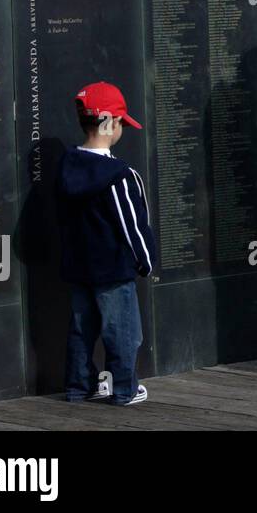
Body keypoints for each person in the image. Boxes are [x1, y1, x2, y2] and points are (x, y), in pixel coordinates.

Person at [56, 82, 156, 405]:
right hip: (113, 270)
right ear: (109, 123)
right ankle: (125, 389)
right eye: (122, 123)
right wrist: (146, 261)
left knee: (81, 330)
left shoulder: (66, 167)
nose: (122, 129)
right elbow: (133, 227)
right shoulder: (120, 175)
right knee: (123, 333)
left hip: (78, 268)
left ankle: (78, 386)